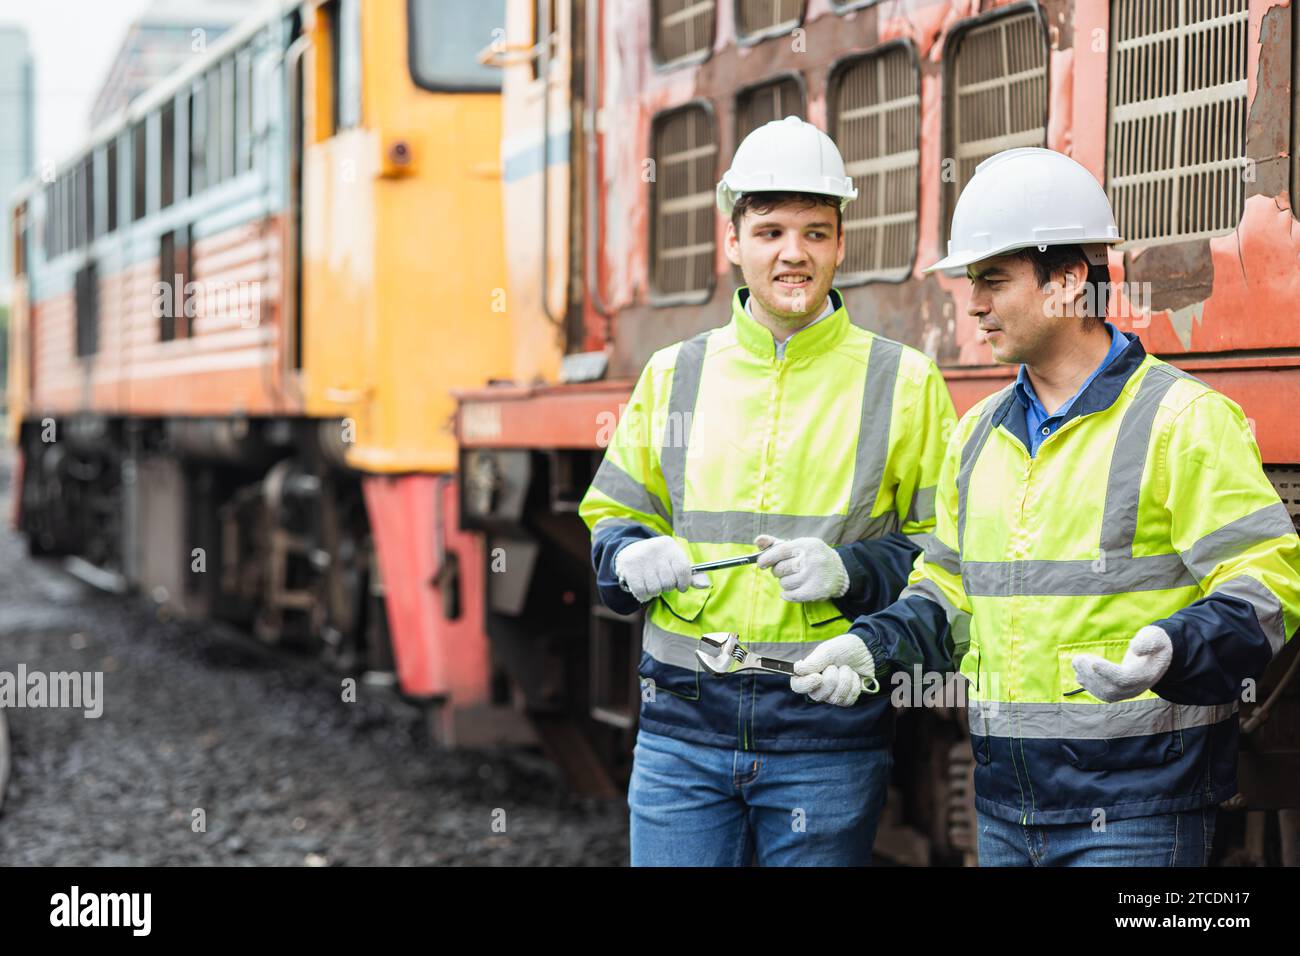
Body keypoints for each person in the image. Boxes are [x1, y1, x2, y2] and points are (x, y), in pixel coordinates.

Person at [792, 147, 1300, 866]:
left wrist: (1178, 646)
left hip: (1137, 815)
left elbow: (1269, 584)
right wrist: (869, 645)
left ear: (1065, 282)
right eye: (973, 281)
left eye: (993, 280)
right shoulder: (976, 437)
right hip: (1006, 812)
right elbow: (949, 593)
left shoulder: (1182, 419)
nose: (974, 304)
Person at [578, 116, 957, 866]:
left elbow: (949, 557)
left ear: (841, 245)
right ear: (733, 242)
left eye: (816, 233)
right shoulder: (674, 374)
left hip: (824, 736)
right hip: (681, 732)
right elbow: (611, 520)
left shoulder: (904, 382)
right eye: (771, 230)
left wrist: (851, 572)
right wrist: (627, 557)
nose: (794, 253)